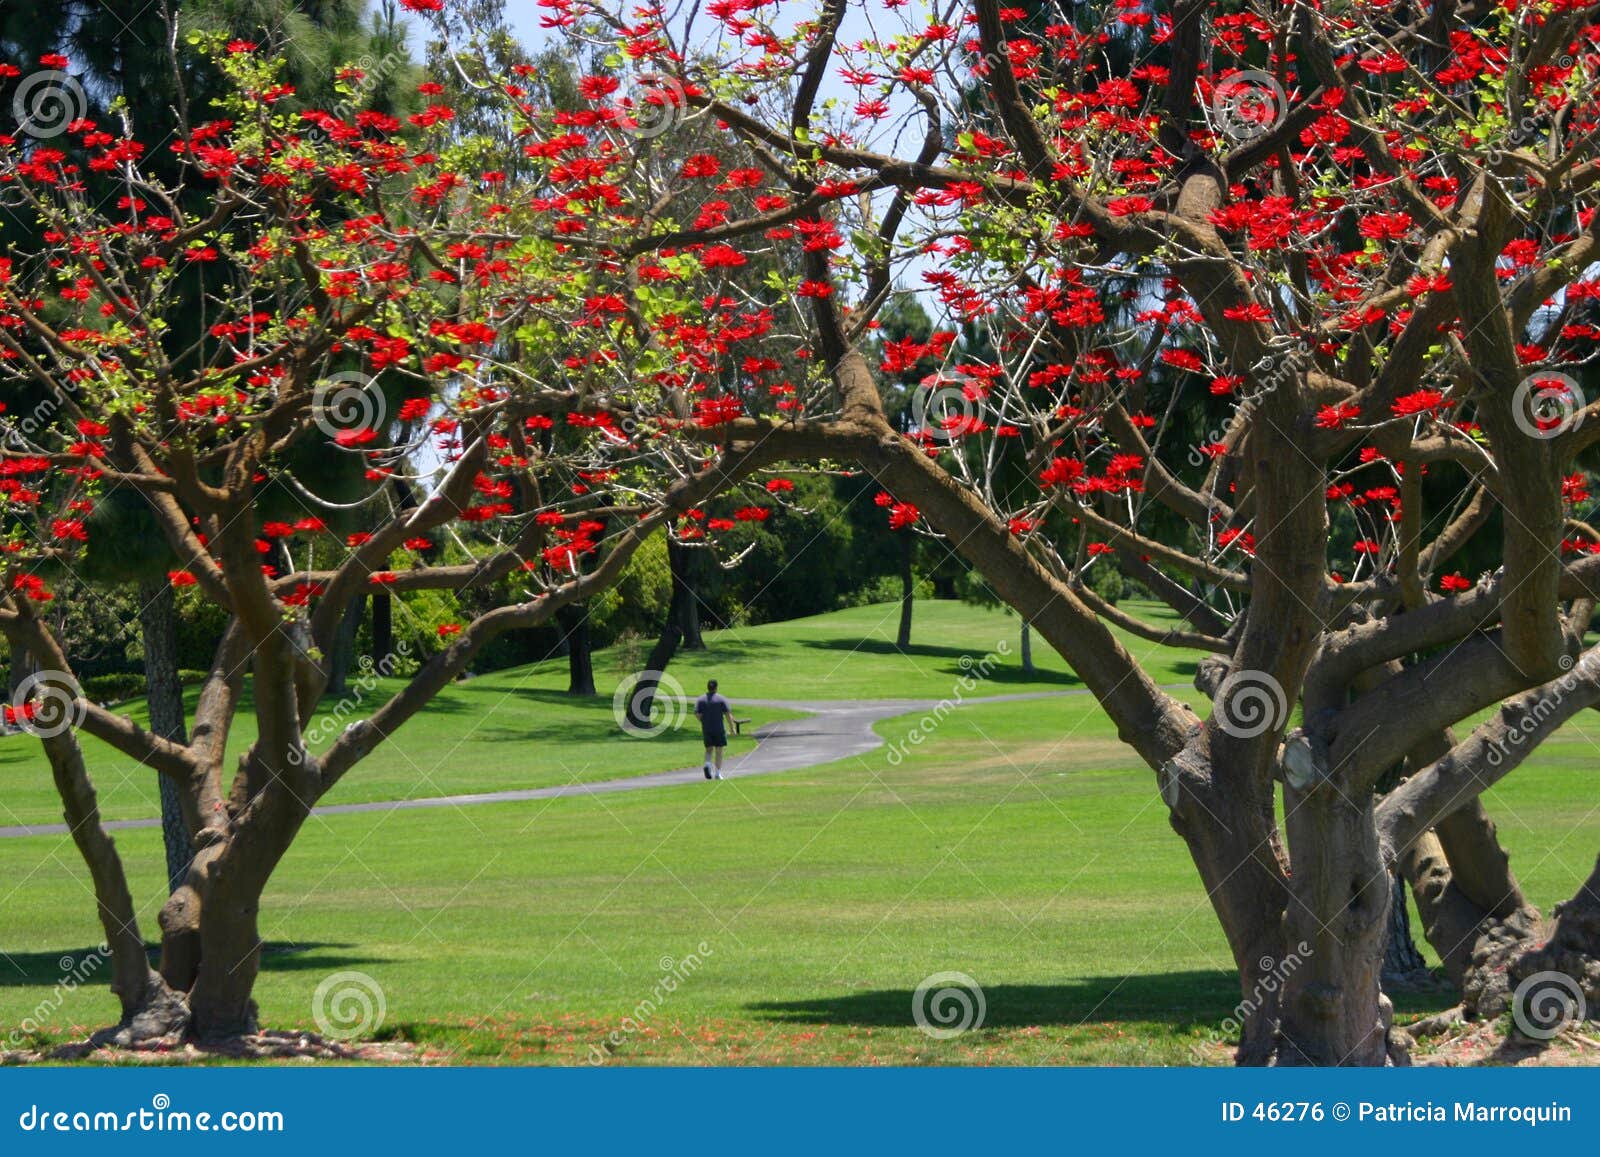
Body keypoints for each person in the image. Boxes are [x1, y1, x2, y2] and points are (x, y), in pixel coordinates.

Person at [695, 679, 733, 780]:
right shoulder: (721, 699)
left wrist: (703, 721)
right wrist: (732, 728)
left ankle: (707, 764)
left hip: (707, 728)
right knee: (719, 750)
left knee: (708, 749)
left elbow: (697, 714)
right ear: (716, 687)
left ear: (708, 687)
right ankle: (717, 773)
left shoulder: (701, 699)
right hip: (719, 728)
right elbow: (728, 715)